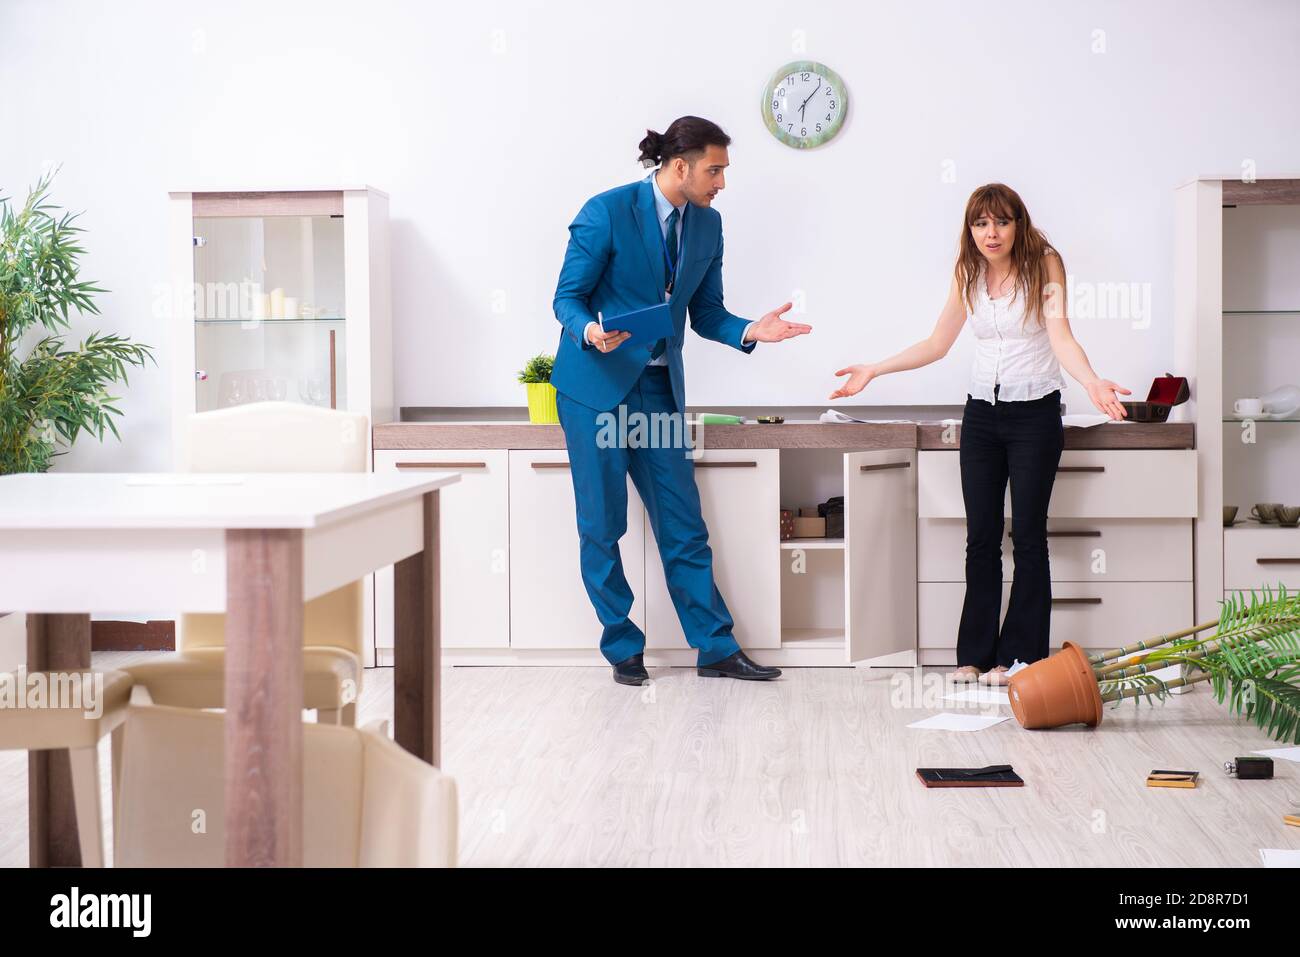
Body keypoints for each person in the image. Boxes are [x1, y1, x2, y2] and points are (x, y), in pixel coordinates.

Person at [829, 183, 1129, 685]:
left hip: (1035, 413)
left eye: (1002, 222)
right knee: (981, 539)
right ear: (970, 229)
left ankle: (1021, 659)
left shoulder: (1044, 265)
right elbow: (937, 342)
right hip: (982, 417)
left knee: (1029, 536)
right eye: (981, 223)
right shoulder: (966, 272)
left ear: (1019, 224)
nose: (992, 233)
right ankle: (974, 654)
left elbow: (1060, 335)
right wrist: (875, 370)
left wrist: (1093, 380)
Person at [551, 115, 811, 686]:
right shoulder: (607, 211)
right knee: (603, 524)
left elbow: (707, 314)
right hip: (595, 392)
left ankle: (715, 648)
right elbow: (566, 298)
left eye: (723, 171)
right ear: (679, 166)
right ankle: (622, 646)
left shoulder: (708, 227)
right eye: (714, 170)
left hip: (658, 391)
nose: (721, 182)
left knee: (683, 524)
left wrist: (750, 331)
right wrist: (591, 331)